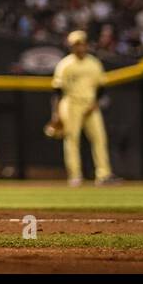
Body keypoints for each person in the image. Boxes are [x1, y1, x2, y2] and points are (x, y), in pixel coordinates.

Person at [50, 29, 119, 187]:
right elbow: (57, 92)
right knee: (72, 139)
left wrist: (95, 103)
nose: (79, 47)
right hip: (71, 103)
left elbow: (102, 87)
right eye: (76, 44)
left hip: (90, 104)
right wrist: (56, 113)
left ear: (86, 45)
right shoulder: (64, 65)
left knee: (99, 138)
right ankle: (75, 176)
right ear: (71, 46)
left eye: (81, 44)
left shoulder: (94, 63)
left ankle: (103, 175)